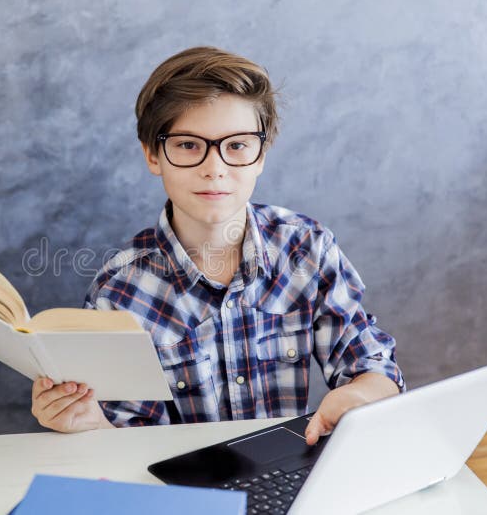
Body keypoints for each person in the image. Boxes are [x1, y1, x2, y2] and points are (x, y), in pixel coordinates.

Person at [31, 46, 405, 445]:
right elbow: (125, 446)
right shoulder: (121, 293)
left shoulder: (306, 248)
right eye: (189, 145)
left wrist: (360, 393)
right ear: (153, 155)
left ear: (261, 155)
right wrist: (89, 423)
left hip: (289, 474)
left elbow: (373, 365)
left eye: (238, 145)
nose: (215, 168)